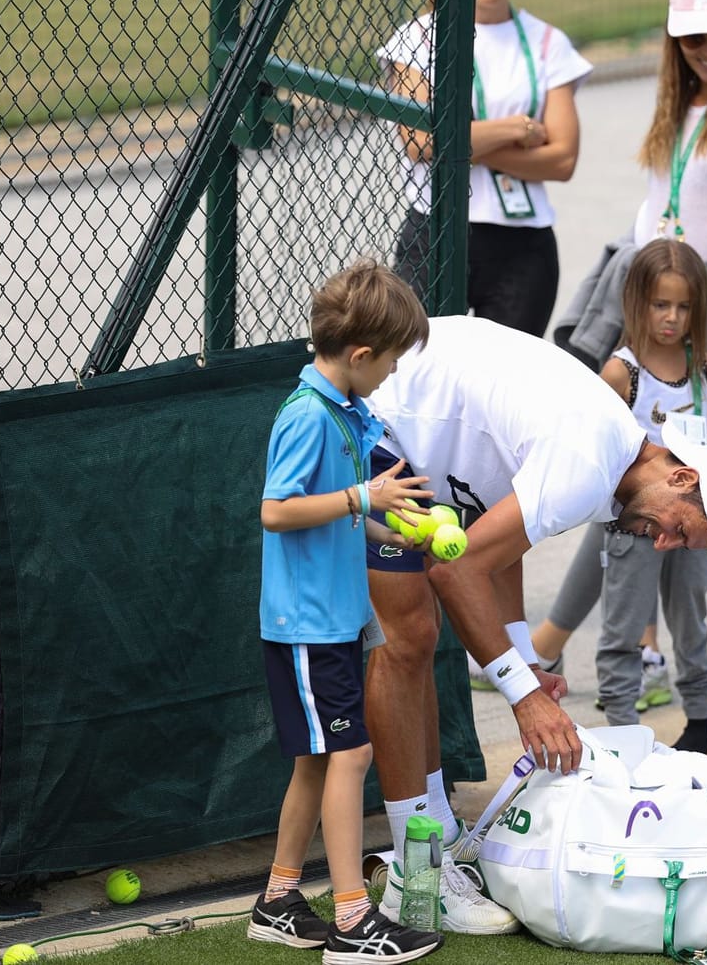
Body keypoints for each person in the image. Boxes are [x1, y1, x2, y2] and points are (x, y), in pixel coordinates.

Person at [362, 314, 707, 933]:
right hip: (373, 407)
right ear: (682, 477)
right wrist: (524, 697)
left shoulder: (610, 460)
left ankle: (433, 843)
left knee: (422, 634)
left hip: (398, 415)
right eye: (680, 529)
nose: (662, 548)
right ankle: (414, 876)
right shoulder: (589, 464)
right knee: (410, 635)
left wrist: (524, 659)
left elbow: (497, 540)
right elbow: (459, 569)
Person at [531, 0, 707, 686]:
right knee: (627, 469)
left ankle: (558, 642)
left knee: (665, 477)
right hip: (645, 287)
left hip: (702, 301)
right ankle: (620, 640)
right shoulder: (677, 97)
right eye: (694, 40)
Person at [246, 261, 443, 963]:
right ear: (360, 355)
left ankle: (278, 898)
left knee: (313, 761)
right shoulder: (308, 416)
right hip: (307, 626)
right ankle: (354, 921)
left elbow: (338, 517)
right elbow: (277, 509)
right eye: (390, 360)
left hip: (330, 620)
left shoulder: (345, 411)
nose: (392, 372)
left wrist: (397, 527)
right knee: (348, 752)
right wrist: (365, 500)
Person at [378, 0, 590, 336]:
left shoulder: (548, 41)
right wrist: (520, 129)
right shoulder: (416, 38)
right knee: (418, 373)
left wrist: (468, 145)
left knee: (504, 391)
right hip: (435, 232)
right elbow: (421, 144)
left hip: (523, 244)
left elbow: (564, 160)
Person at [589, 239, 707, 751]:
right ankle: (625, 735)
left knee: (691, 618)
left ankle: (700, 722)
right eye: (660, 304)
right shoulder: (621, 374)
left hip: (693, 528)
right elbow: (602, 457)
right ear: (637, 302)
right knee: (623, 628)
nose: (671, 317)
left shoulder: (702, 365)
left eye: (684, 306)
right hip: (635, 530)